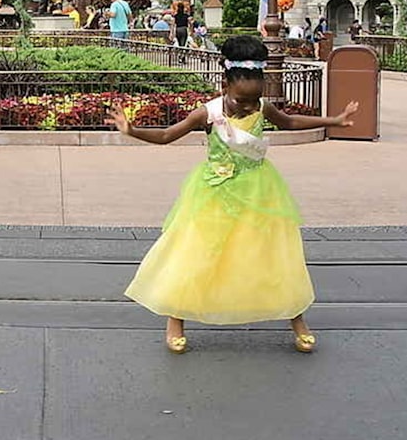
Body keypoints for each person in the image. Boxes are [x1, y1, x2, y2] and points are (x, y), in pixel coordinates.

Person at [106, 35, 359, 354]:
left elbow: (290, 120)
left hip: (260, 191)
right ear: (226, 84)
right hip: (215, 192)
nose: (250, 106)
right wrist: (132, 131)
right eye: (243, 101)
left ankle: (298, 320)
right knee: (197, 253)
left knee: (274, 254)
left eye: (254, 101)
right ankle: (175, 320)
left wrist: (333, 120)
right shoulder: (208, 113)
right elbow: (169, 134)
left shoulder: (262, 106)